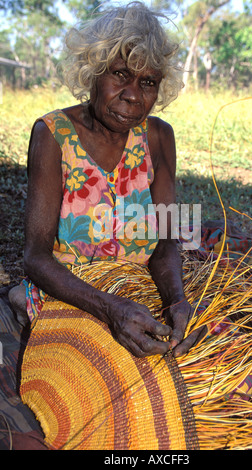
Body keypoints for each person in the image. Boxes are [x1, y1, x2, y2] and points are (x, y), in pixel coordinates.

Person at [9, 2, 207, 358]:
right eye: (119, 74)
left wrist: (176, 300)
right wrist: (109, 309)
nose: (133, 94)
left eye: (147, 82)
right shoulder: (53, 134)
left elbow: (167, 238)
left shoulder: (160, 137)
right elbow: (35, 257)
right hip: (73, 293)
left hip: (137, 289)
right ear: (93, 72)